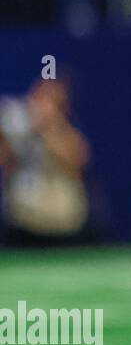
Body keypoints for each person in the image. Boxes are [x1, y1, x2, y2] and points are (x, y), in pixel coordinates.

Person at [0, 77, 91, 246]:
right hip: (23, 224)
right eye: (38, 97)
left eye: (48, 100)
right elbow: (5, 161)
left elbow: (77, 161)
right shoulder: (21, 132)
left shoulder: (68, 135)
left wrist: (46, 128)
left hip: (63, 226)